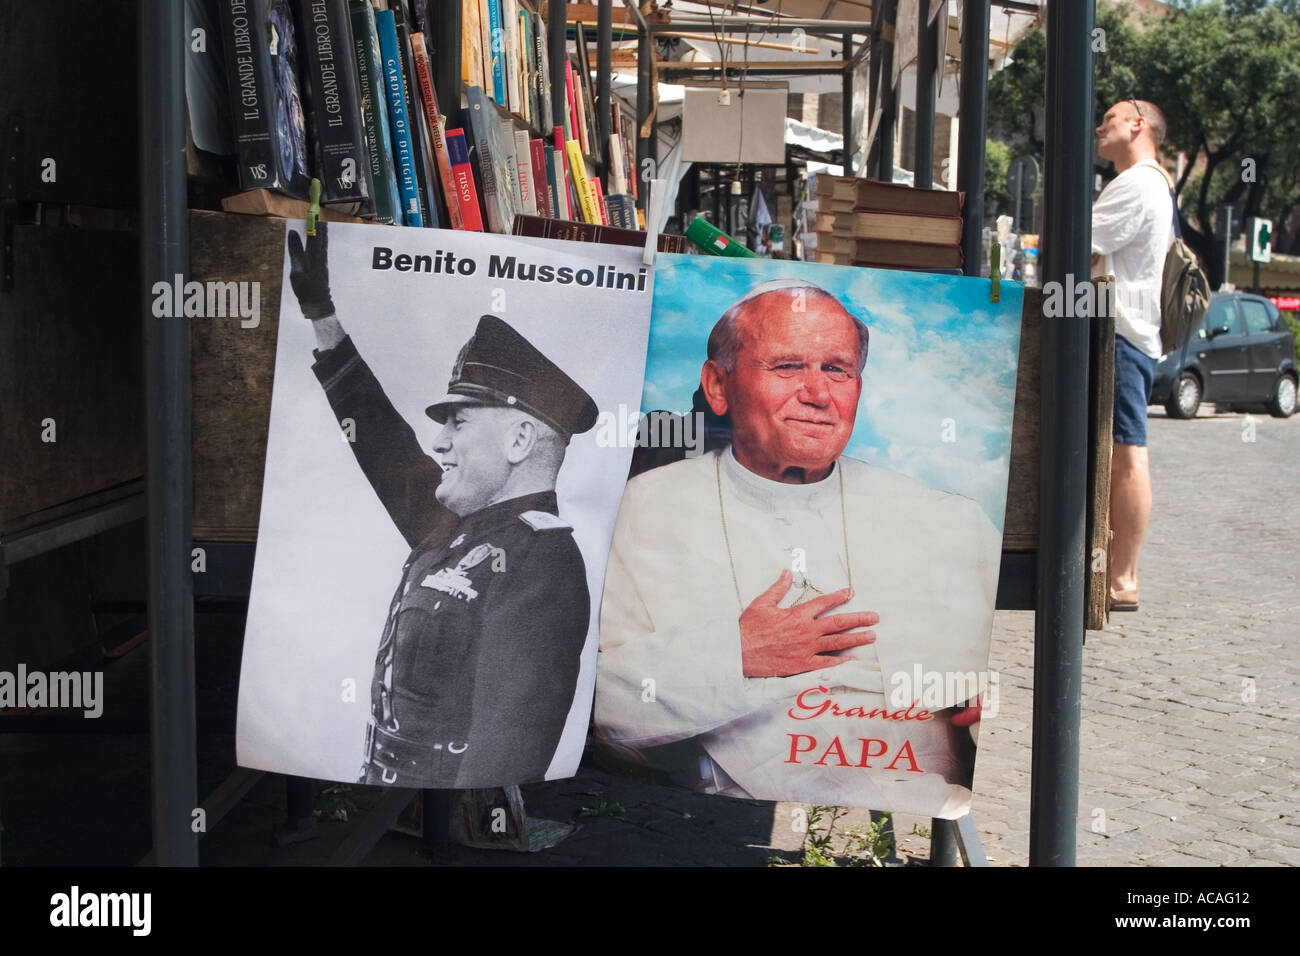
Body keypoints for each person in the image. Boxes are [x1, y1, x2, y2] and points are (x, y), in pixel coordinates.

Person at [593, 279, 1002, 817]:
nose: (818, 394)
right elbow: (599, 706)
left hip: (915, 790)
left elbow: (976, 700)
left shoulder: (949, 519)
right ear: (718, 386)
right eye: (787, 367)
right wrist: (738, 654)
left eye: (837, 370)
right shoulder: (644, 508)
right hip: (717, 809)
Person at [286, 224, 597, 789]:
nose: (440, 442)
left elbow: (505, 754)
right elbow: (383, 444)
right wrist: (320, 314)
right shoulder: (458, 530)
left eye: (460, 422)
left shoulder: (540, 565)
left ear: (520, 440)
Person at [1092, 98, 1175, 613]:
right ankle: (1116, 571)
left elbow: (1079, 239)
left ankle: (1123, 577)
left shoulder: (1138, 183)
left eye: (1110, 120)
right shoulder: (1149, 182)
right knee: (1121, 452)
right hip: (1128, 332)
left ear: (1139, 125)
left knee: (1127, 453)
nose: (1100, 128)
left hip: (1123, 332)